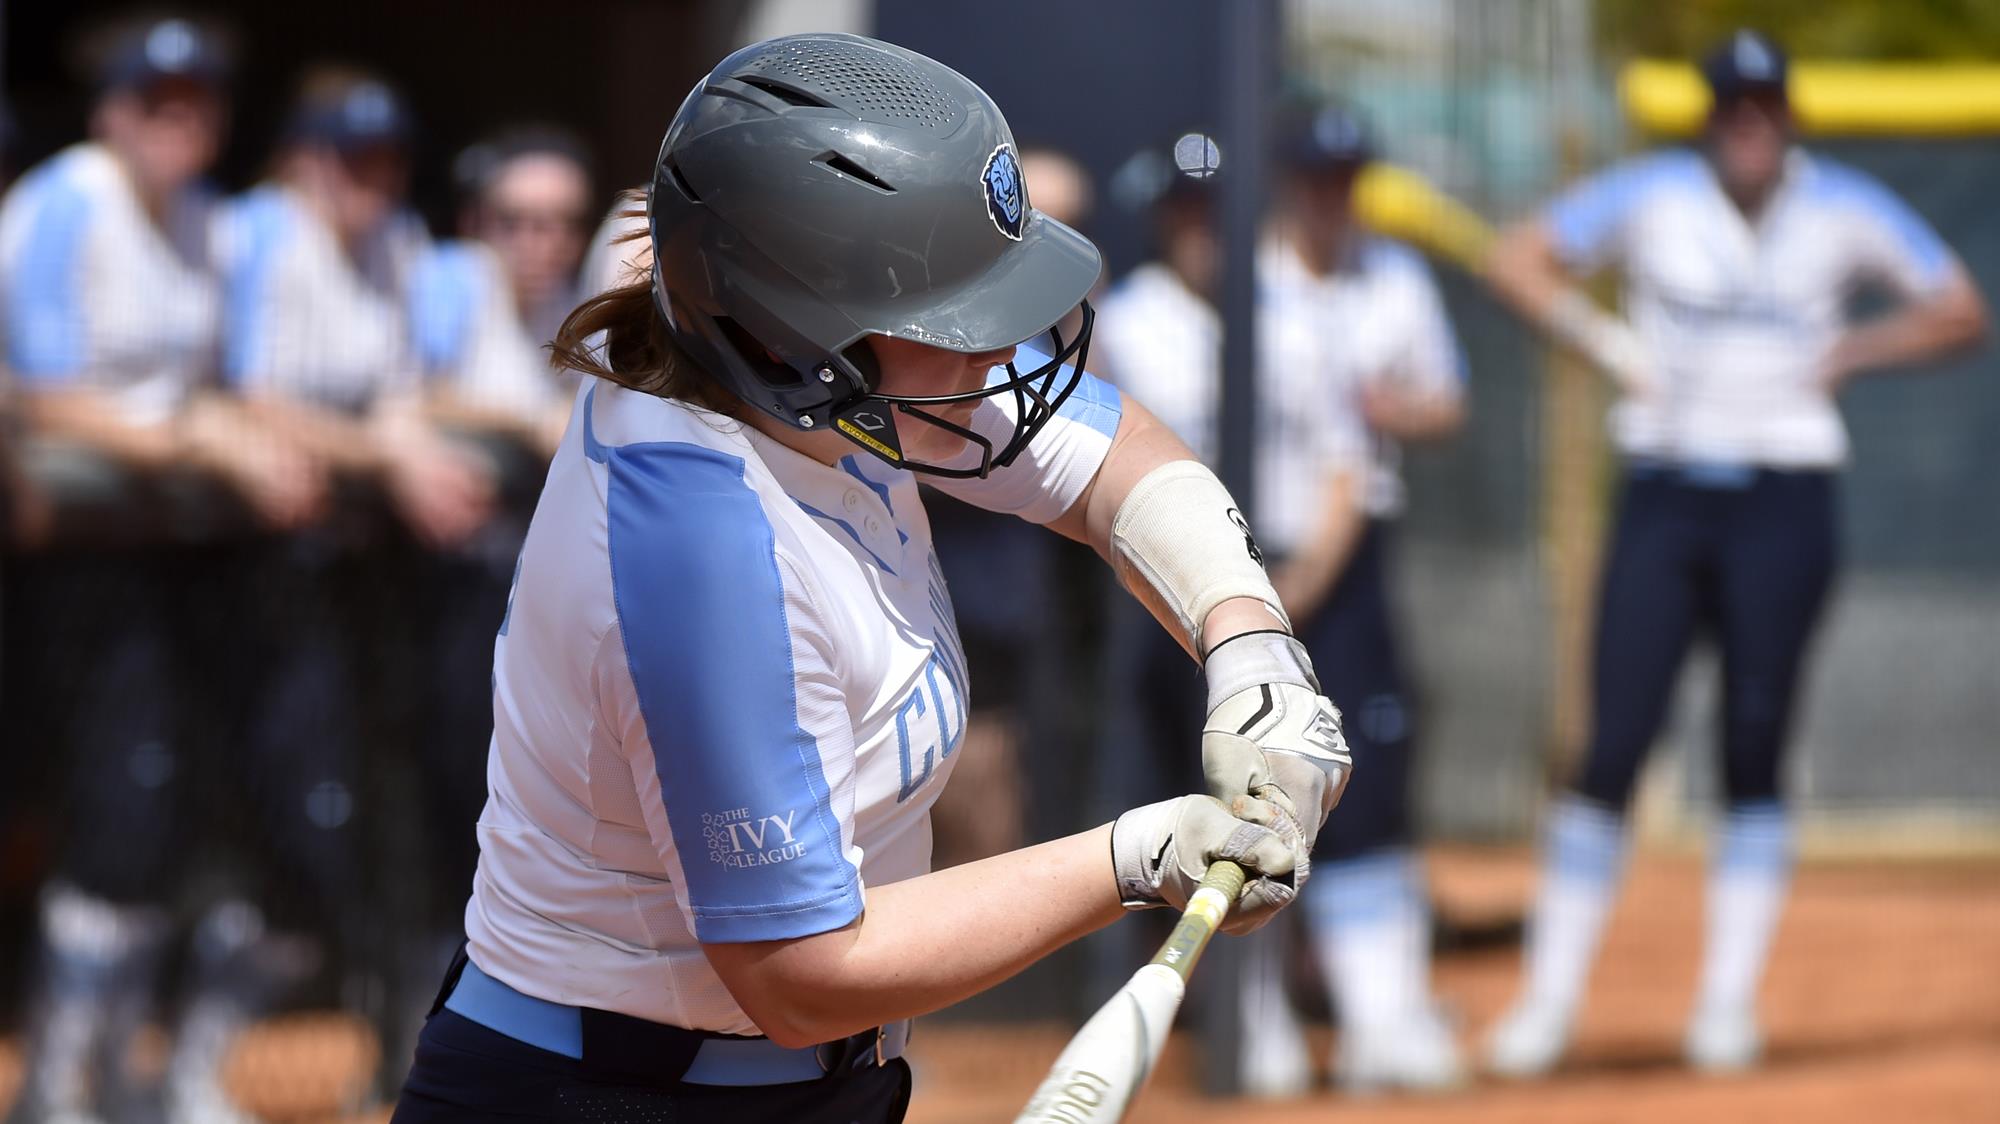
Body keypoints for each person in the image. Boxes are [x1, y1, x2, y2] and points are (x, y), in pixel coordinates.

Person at [391, 33, 1350, 1122]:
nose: (999, 357)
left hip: (796, 1081)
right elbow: (800, 971)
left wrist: (1248, 649)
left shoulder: (793, 371)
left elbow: (1116, 462)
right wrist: (1135, 857)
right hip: (606, 1093)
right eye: (954, 320)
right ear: (798, 338)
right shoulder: (701, 543)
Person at [1480, 30, 1987, 1077]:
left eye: (1761, 106)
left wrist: (1853, 347)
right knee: (1610, 743)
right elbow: (1512, 257)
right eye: (1727, 107)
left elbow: (1957, 309)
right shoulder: (1652, 192)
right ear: (1707, 116)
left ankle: (1722, 1005)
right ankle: (1547, 1001)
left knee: (1754, 741)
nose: (1744, 124)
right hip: (1665, 492)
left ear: (1785, 115)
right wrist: (1604, 341)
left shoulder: (1842, 206)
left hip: (1781, 497)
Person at [1093, 107, 1469, 1097]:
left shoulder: (1291, 309)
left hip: (1316, 575)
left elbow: (1350, 461)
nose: (1200, 227)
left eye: (1212, 206)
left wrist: (1286, 598)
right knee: (1230, 801)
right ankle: (1247, 1018)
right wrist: (1229, 599)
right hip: (1193, 588)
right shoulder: (1136, 318)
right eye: (1182, 210)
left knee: (1355, 787)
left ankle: (1380, 1014)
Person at [0, 19, 321, 1122]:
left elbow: (226, 381)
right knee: (111, 808)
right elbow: (43, 392)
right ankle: (54, 1078)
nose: (180, 120)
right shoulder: (66, 198)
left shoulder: (204, 220)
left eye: (199, 100)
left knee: (169, 808)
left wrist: (247, 434)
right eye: (156, 99)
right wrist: (202, 439)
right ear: (111, 108)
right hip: (68, 558)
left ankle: (119, 1073)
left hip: (180, 558)